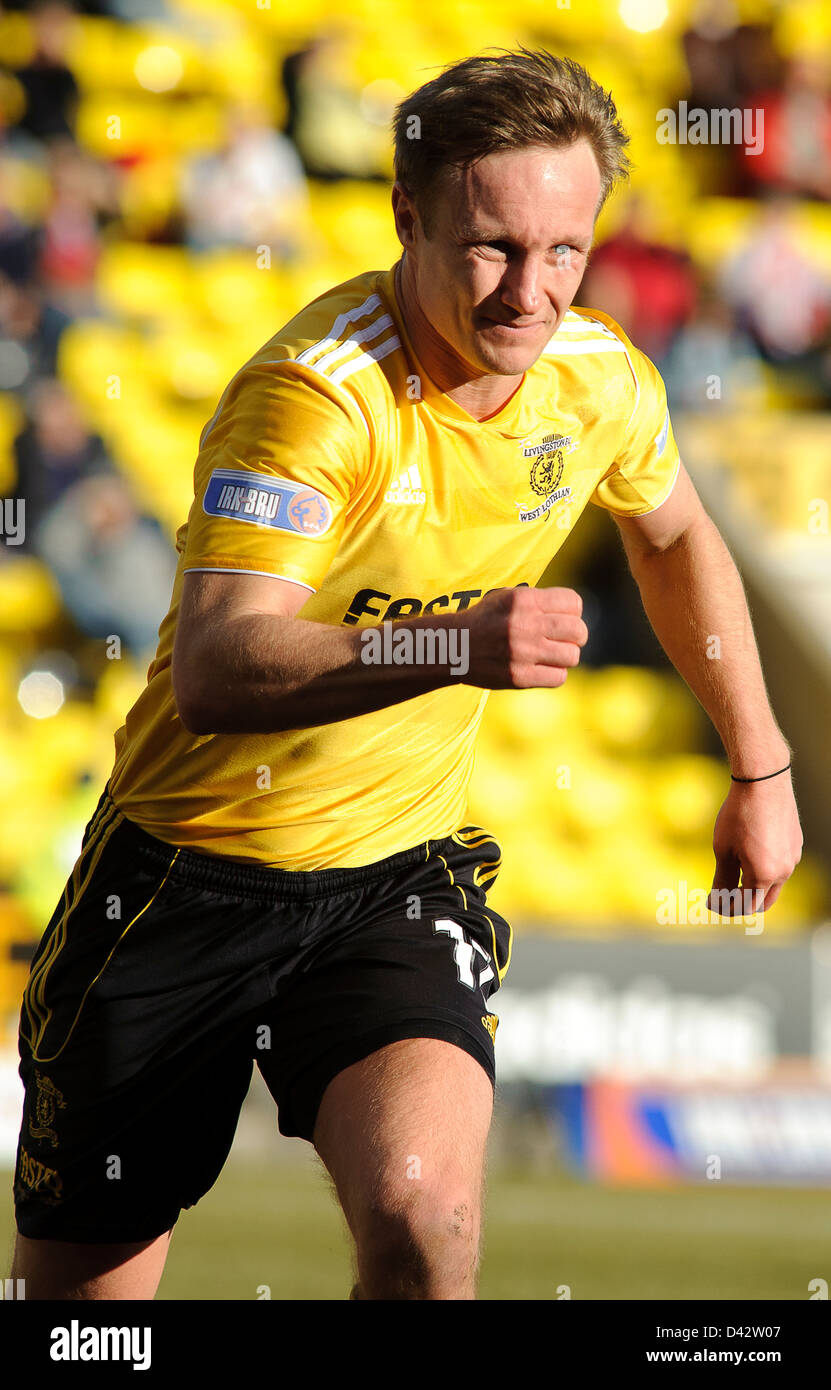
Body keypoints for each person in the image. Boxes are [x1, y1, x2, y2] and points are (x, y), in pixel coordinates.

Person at [9, 48, 803, 1301]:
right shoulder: (312, 396)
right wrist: (453, 643)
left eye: (566, 252)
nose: (529, 295)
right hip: (179, 883)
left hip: (389, 880)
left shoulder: (598, 380)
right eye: (490, 247)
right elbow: (218, 668)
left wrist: (761, 762)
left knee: (427, 1222)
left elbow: (675, 531)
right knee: (84, 1323)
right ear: (407, 219)